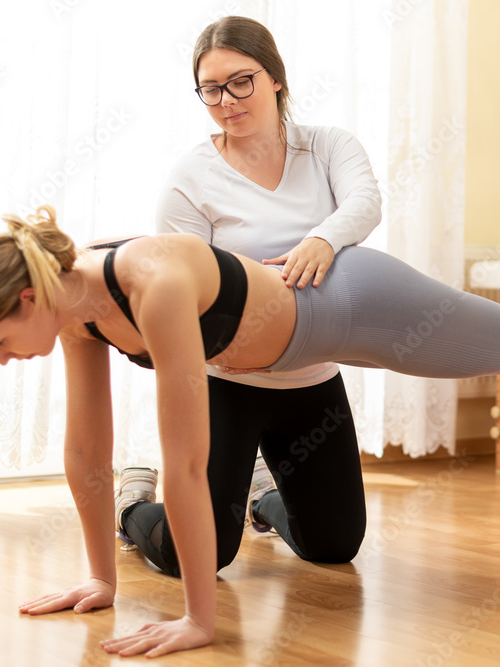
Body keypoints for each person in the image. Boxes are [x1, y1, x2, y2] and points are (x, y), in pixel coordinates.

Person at [0, 207, 500, 657]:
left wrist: (201, 622)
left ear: (26, 299)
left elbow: (183, 461)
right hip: (309, 341)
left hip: (358, 304)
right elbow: (86, 453)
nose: (5, 362)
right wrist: (101, 580)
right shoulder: (79, 314)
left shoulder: (153, 284)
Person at [129, 15, 381, 576]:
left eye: (240, 81)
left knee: (333, 546)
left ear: (275, 79)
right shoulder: (189, 179)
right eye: (211, 89)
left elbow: (364, 203)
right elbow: (179, 293)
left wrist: (322, 238)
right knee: (195, 556)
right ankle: (131, 505)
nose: (226, 100)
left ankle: (264, 501)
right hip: (227, 384)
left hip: (310, 379)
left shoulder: (327, 147)